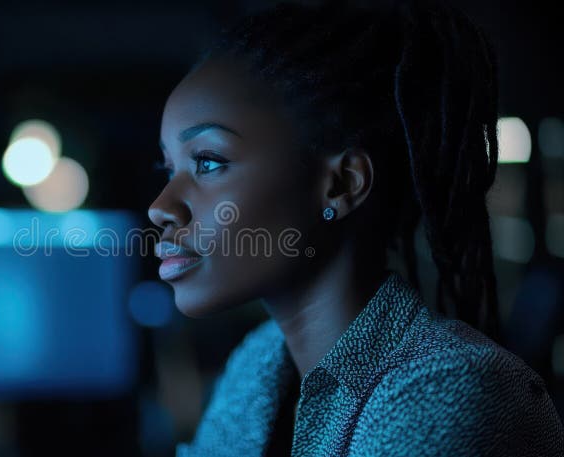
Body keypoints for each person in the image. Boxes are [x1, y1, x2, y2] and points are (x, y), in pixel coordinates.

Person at [147, 0, 564, 455]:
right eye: (169, 170)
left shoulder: (450, 389)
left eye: (208, 161)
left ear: (341, 184)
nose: (160, 208)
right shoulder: (258, 366)